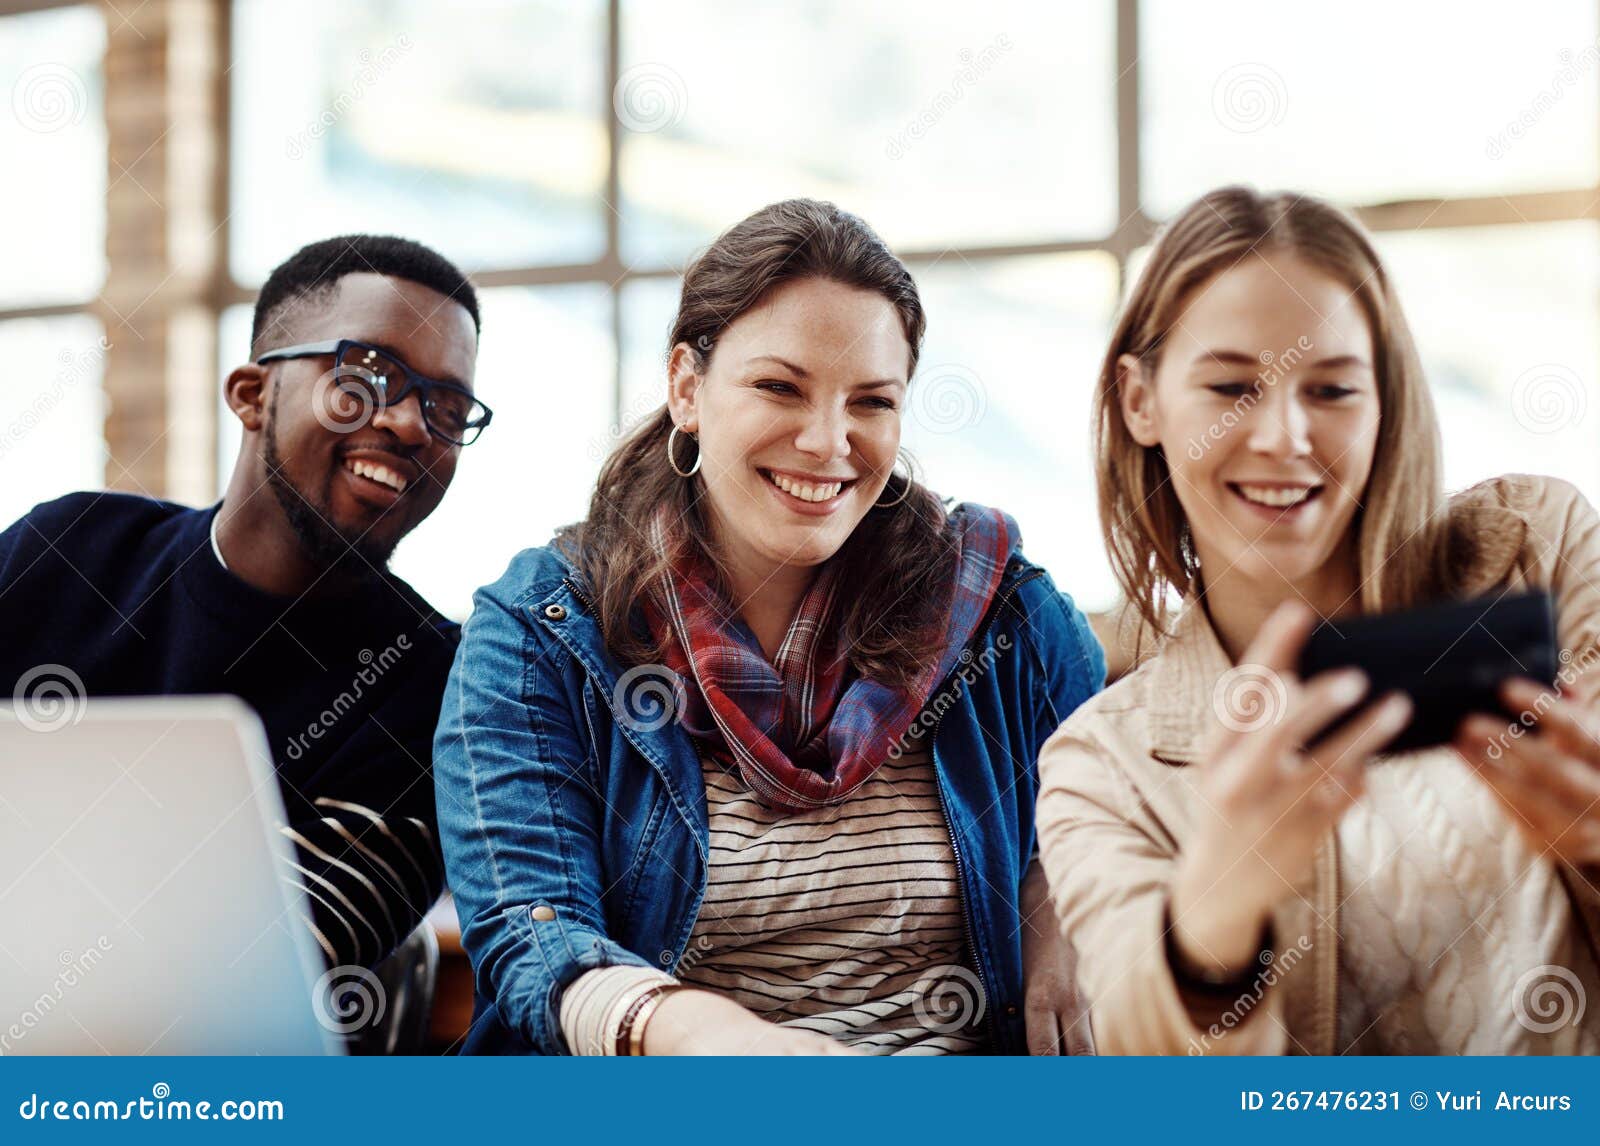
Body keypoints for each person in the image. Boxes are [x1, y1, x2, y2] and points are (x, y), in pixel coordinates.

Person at [435, 199, 1104, 1056]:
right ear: (687, 387)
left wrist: (1066, 903)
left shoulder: (1003, 610)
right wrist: (697, 1035)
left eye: (871, 402)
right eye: (778, 387)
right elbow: (531, 934)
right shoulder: (541, 631)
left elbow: (1116, 812)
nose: (828, 442)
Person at [1036, 185, 1600, 1054]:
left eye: (1332, 389)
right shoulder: (1104, 765)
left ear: (1385, 401)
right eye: (1231, 386)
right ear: (1139, 400)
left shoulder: (1541, 551)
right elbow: (1156, 1082)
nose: (1284, 436)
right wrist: (1214, 916)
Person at [0, 234, 491, 971]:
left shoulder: (436, 690)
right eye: (368, 375)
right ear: (252, 395)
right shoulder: (69, 550)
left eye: (447, 406)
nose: (410, 423)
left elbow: (257, 967)